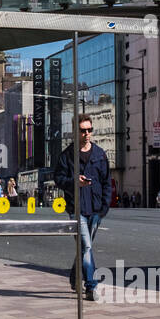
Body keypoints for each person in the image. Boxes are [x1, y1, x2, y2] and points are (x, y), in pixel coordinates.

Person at [53, 115, 110, 301]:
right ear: (75, 132)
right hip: (76, 210)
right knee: (86, 246)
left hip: (96, 209)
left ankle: (74, 277)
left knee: (86, 247)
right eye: (83, 130)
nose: (87, 134)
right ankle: (91, 286)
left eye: (89, 130)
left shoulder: (100, 154)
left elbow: (107, 182)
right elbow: (59, 179)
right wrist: (74, 182)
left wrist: (104, 207)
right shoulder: (67, 155)